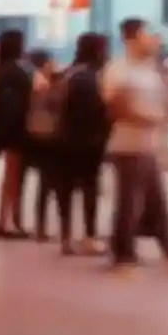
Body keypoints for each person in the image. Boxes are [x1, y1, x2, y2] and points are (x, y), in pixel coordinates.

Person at [104, 19, 168, 275]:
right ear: (132, 38)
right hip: (127, 146)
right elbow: (118, 108)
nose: (154, 40)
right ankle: (123, 255)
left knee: (157, 201)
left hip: (150, 146)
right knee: (129, 202)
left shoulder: (152, 71)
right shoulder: (118, 69)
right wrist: (150, 118)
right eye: (147, 35)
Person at [56, 32, 111, 256]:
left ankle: (66, 237)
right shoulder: (92, 78)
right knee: (89, 188)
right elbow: (97, 111)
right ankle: (89, 235)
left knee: (66, 189)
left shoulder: (68, 73)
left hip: (63, 138)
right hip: (89, 141)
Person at [0, 30, 33, 240]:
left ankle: (9, 220)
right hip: (16, 130)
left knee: (12, 176)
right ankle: (8, 222)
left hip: (7, 129)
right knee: (14, 177)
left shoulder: (2, 69)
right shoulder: (16, 70)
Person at [24, 50, 63, 243]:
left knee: (46, 183)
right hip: (48, 137)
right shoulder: (42, 84)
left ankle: (41, 226)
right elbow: (53, 106)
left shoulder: (36, 82)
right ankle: (44, 227)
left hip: (39, 135)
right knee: (50, 183)